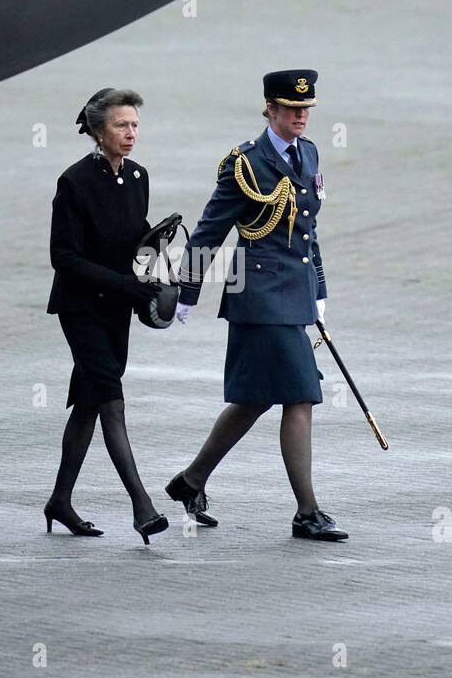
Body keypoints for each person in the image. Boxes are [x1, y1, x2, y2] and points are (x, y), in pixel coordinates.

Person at [167, 70, 347, 541]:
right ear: (269, 108)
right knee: (302, 395)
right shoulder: (245, 164)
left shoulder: (308, 153)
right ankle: (307, 512)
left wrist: (319, 289)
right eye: (290, 109)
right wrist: (187, 292)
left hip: (295, 296)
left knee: (254, 399)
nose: (300, 117)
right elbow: (209, 232)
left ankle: (190, 481)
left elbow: (308, 233)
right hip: (260, 297)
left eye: (305, 110)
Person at [45, 89, 169, 544]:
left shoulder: (138, 177)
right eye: (121, 125)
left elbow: (132, 238)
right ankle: (142, 506)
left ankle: (60, 501)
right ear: (99, 132)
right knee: (111, 402)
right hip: (81, 308)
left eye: (134, 124)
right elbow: (65, 258)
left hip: (118, 308)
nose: (131, 133)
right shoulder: (74, 182)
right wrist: (128, 285)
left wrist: (156, 246)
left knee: (89, 403)